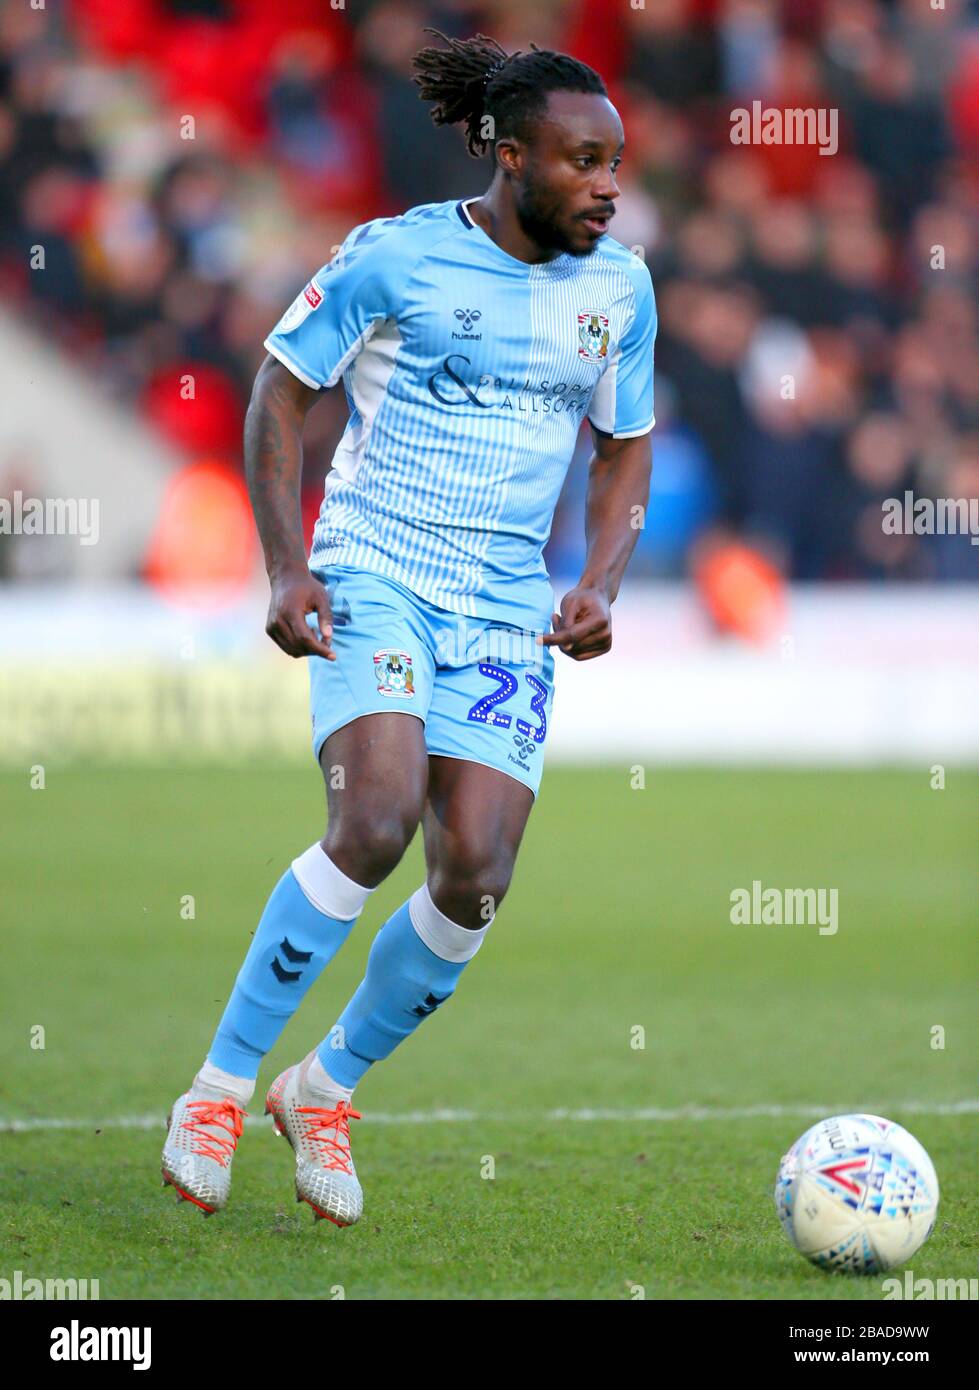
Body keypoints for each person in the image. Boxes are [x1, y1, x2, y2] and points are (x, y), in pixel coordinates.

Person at [161, 30, 655, 1226]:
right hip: (376, 570)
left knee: (476, 872)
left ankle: (322, 1089)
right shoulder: (394, 257)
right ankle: (217, 1089)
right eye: (583, 162)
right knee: (373, 819)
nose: (607, 186)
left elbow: (622, 447)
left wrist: (600, 578)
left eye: (615, 164)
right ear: (511, 155)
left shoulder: (620, 290)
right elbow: (281, 391)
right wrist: (287, 566)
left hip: (504, 605)